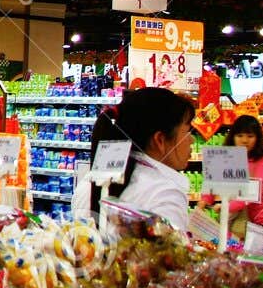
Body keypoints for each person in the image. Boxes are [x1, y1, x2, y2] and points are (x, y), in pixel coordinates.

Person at [71, 87, 196, 236]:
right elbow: (170, 256)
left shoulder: (89, 182)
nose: (191, 139)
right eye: (187, 131)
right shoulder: (164, 193)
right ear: (160, 140)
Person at [202, 115, 263, 250]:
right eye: (240, 135)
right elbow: (214, 181)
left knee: (255, 263)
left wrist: (227, 207)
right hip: (234, 220)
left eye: (250, 136)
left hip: (261, 222)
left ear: (257, 138)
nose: (244, 140)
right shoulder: (227, 156)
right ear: (233, 137)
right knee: (232, 258)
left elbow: (253, 191)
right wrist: (204, 200)